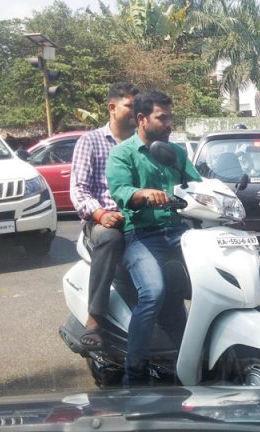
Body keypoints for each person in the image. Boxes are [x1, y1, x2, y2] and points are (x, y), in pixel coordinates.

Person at [106, 91, 202, 386]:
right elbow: (120, 191)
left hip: (179, 233)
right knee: (154, 291)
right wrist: (143, 193)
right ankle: (133, 373)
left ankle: (201, 357)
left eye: (170, 117)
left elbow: (198, 184)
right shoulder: (123, 154)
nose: (169, 124)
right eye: (162, 118)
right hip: (141, 234)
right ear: (141, 119)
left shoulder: (176, 153)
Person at [70, 82, 139, 350]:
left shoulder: (142, 144)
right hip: (101, 220)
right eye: (130, 106)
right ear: (112, 107)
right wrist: (100, 214)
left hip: (137, 219)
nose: (136, 113)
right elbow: (79, 189)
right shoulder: (90, 141)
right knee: (110, 239)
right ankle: (95, 318)